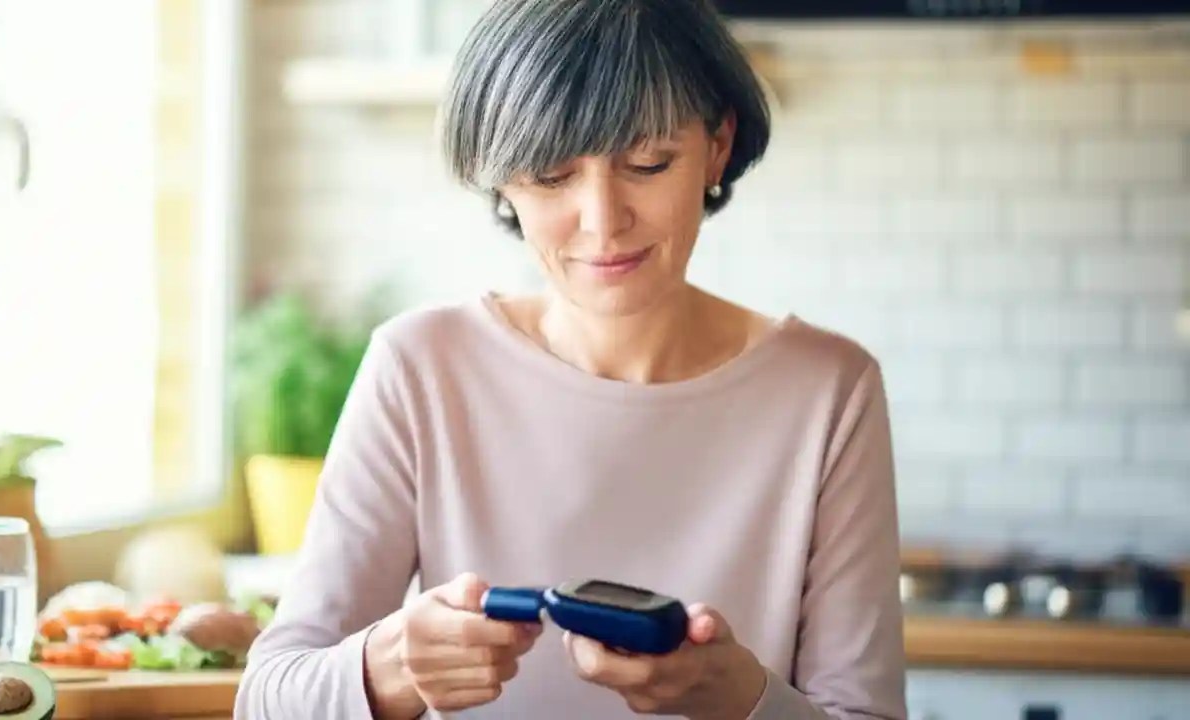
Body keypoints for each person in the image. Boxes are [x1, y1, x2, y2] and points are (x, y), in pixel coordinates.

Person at [233, 0, 906, 718]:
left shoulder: (828, 390)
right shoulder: (420, 367)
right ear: (501, 180)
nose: (602, 219)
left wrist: (739, 696)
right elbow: (266, 699)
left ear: (716, 147)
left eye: (649, 162)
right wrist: (389, 667)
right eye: (552, 177)